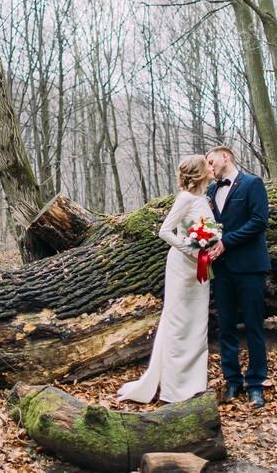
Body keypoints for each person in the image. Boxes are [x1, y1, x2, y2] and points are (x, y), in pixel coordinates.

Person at [117, 154, 215, 403]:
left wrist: (208, 247)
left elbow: (206, 230)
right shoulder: (184, 198)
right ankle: (173, 389)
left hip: (199, 269)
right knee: (179, 324)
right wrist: (191, 249)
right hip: (182, 267)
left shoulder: (204, 198)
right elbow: (165, 231)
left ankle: (192, 383)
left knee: (196, 324)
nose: (212, 168)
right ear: (200, 172)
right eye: (208, 165)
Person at [204, 145, 270, 409]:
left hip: (250, 267)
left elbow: (259, 221)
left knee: (254, 326)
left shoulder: (252, 184)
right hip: (221, 270)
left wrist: (226, 242)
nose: (209, 168)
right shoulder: (210, 191)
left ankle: (256, 384)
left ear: (225, 157)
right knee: (226, 326)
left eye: (211, 162)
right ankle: (232, 379)